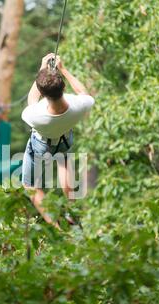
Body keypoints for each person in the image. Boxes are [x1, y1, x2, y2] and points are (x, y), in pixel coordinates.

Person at [21, 53, 95, 228]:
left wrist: (42, 69)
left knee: (30, 185)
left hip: (41, 145)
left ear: (44, 92)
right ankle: (72, 211)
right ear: (62, 87)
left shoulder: (35, 115)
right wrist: (63, 69)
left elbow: (32, 98)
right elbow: (83, 92)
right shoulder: (78, 105)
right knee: (63, 162)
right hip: (64, 138)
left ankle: (57, 226)